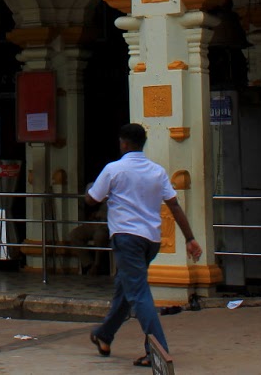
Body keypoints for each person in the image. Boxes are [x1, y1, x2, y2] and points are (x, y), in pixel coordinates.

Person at [83, 123, 202, 366]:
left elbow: (92, 199)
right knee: (125, 289)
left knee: (138, 293)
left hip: (127, 238)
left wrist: (91, 191)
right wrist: (189, 238)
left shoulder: (114, 169)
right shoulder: (157, 171)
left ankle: (157, 350)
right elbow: (174, 205)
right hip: (151, 240)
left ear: (123, 143)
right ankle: (104, 335)